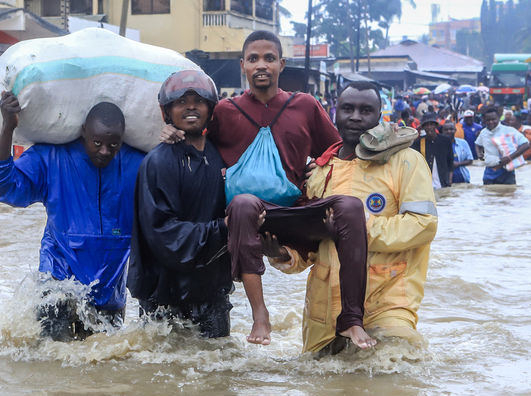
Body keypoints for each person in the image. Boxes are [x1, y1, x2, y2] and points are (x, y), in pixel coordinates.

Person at [163, 31, 372, 349]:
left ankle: (351, 319)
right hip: (246, 219)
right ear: (243, 65)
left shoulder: (305, 106)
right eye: (254, 59)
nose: (261, 65)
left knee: (351, 207)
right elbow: (196, 140)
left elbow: (337, 151)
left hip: (294, 214)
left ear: (281, 65)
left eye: (269, 58)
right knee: (244, 203)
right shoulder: (225, 110)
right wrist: (170, 131)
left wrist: (319, 165)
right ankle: (260, 314)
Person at [263, 82, 437, 354]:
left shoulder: (406, 161)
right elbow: (311, 245)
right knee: (321, 380)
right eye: (348, 109)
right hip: (323, 312)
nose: (355, 117)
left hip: (387, 303)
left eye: (365, 110)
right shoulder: (320, 171)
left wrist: (355, 228)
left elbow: (423, 225)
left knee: (394, 366)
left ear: (379, 115)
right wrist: (285, 254)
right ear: (335, 113)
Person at [0, 93, 144, 341]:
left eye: (113, 145)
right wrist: (8, 127)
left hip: (109, 294)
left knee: (106, 361)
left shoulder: (139, 166)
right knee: (54, 358)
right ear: (83, 132)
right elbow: (1, 186)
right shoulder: (52, 158)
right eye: (97, 143)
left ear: (122, 140)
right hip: (57, 286)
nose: (104, 151)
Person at [128, 70, 234, 338]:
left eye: (198, 101)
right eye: (181, 102)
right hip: (164, 294)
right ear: (166, 112)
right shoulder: (158, 163)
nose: (190, 107)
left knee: (219, 361)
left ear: (211, 109)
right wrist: (222, 228)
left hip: (212, 292)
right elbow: (163, 233)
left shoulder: (221, 156)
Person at [475, 105, 530, 185]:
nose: (491, 122)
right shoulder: (483, 133)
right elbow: (477, 144)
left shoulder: (509, 130)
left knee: (508, 192)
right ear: (484, 120)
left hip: (506, 172)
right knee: (487, 192)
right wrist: (479, 153)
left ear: (499, 118)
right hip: (489, 172)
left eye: (493, 119)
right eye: (488, 120)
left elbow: (526, 145)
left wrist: (509, 158)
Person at [412, 113, 454, 188]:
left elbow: (450, 161)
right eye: (426, 125)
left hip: (443, 182)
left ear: (435, 126)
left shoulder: (445, 141)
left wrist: (450, 180)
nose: (429, 127)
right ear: (423, 127)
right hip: (426, 183)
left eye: (431, 124)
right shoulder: (419, 142)